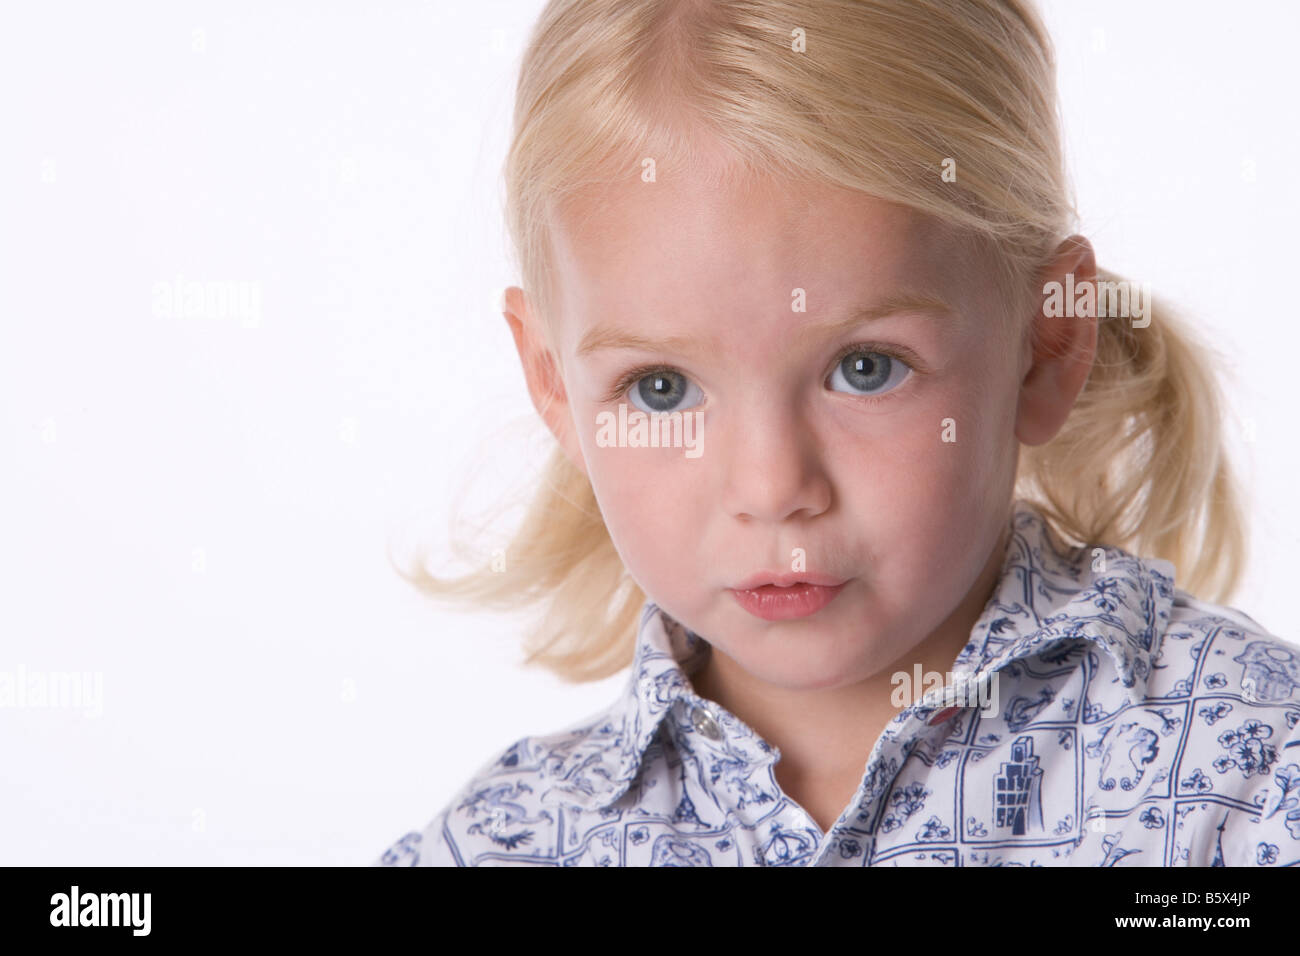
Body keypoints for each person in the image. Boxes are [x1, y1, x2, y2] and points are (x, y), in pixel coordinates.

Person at [374, 0, 1299, 866]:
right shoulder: (507, 845)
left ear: (1045, 344)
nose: (773, 487)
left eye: (866, 368)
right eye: (660, 389)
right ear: (554, 386)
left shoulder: (1244, 779)